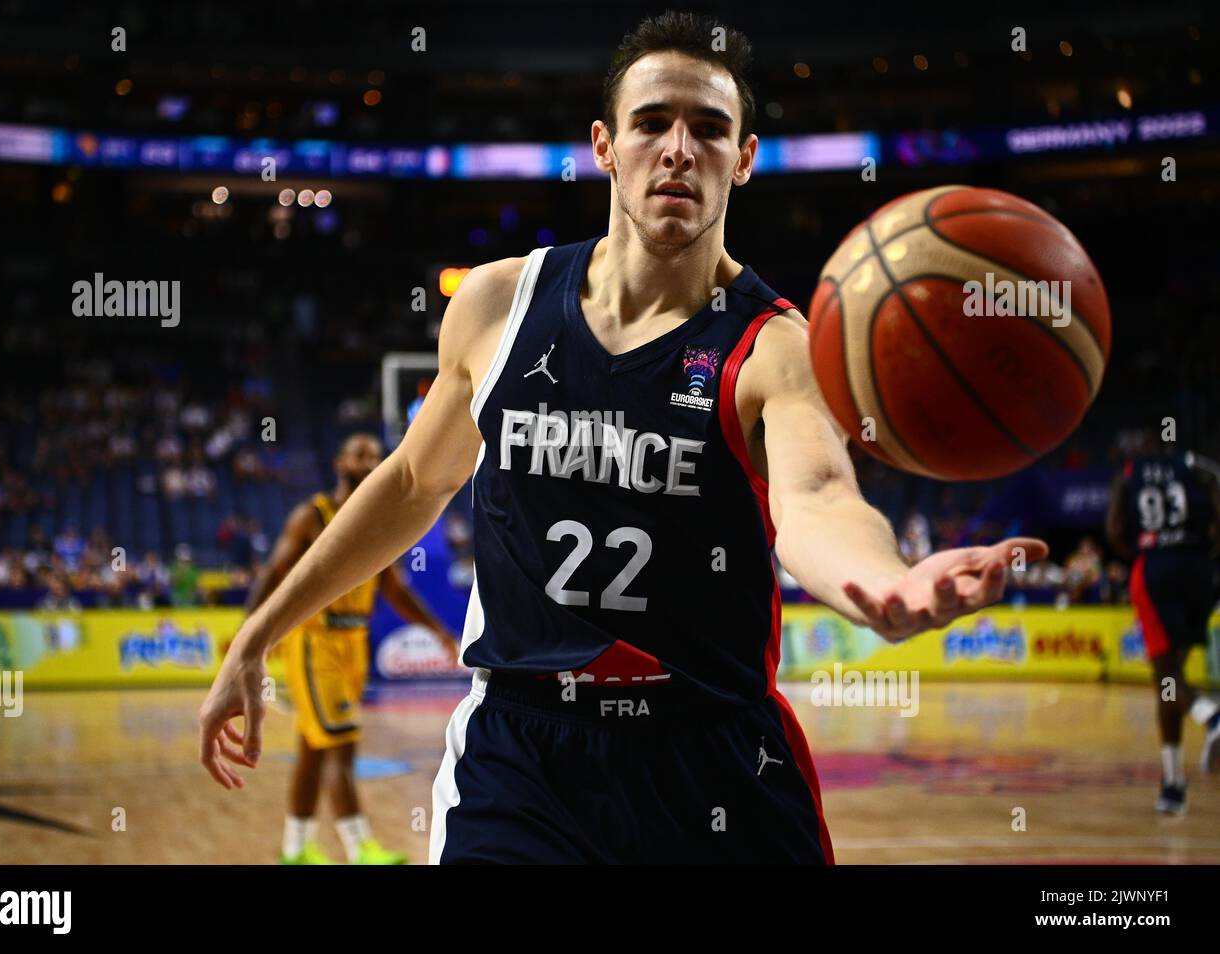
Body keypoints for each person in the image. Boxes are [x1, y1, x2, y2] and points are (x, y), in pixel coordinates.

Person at [200, 10, 1045, 864]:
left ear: (744, 159)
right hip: (520, 756)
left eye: (710, 128)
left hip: (714, 753)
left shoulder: (775, 347)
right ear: (605, 145)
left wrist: (884, 581)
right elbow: (416, 483)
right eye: (652, 123)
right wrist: (259, 631)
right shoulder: (499, 306)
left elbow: (819, 499)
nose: (679, 148)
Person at [242, 433, 457, 865]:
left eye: (376, 456)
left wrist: (438, 630)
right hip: (314, 642)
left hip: (352, 644)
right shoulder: (313, 516)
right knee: (343, 743)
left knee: (313, 748)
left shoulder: (379, 522)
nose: (369, 460)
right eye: (360, 454)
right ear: (340, 463)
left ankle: (296, 848)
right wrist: (249, 639)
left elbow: (395, 590)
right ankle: (361, 848)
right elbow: (273, 574)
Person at [1107, 432, 1220, 814]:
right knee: (1171, 679)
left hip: (1156, 569)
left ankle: (1212, 716)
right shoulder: (1190, 462)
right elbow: (1217, 483)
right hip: (1199, 569)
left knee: (1167, 681)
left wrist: (1141, 550)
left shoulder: (1129, 472)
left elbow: (1116, 530)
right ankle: (1173, 787)